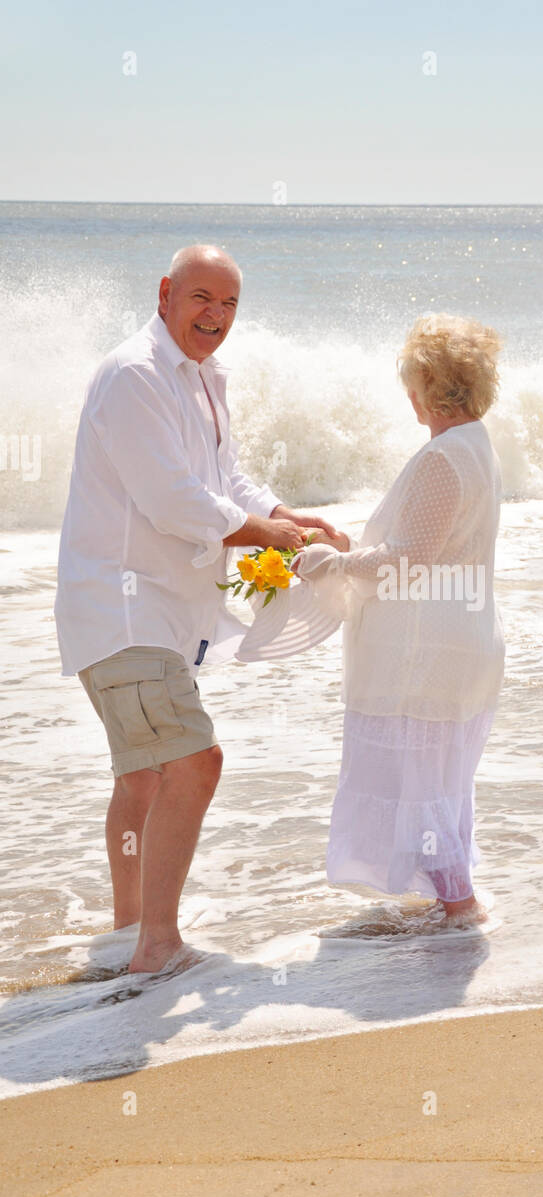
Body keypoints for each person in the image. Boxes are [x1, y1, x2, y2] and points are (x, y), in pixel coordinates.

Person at [54, 244, 345, 974]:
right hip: (120, 610)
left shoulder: (207, 377)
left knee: (145, 776)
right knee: (195, 761)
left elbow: (224, 479)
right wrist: (260, 535)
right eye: (201, 298)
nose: (215, 316)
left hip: (157, 615)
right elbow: (169, 499)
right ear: (164, 294)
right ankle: (157, 947)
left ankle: (130, 932)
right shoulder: (134, 376)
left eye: (229, 304)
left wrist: (285, 516)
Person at [289, 314, 505, 922]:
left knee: (420, 781)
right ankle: (454, 900)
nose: (409, 395)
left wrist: (332, 564)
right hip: (462, 637)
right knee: (438, 778)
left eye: (413, 381)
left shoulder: (445, 455)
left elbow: (408, 559)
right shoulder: (477, 445)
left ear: (430, 386)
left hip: (428, 649)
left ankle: (460, 906)